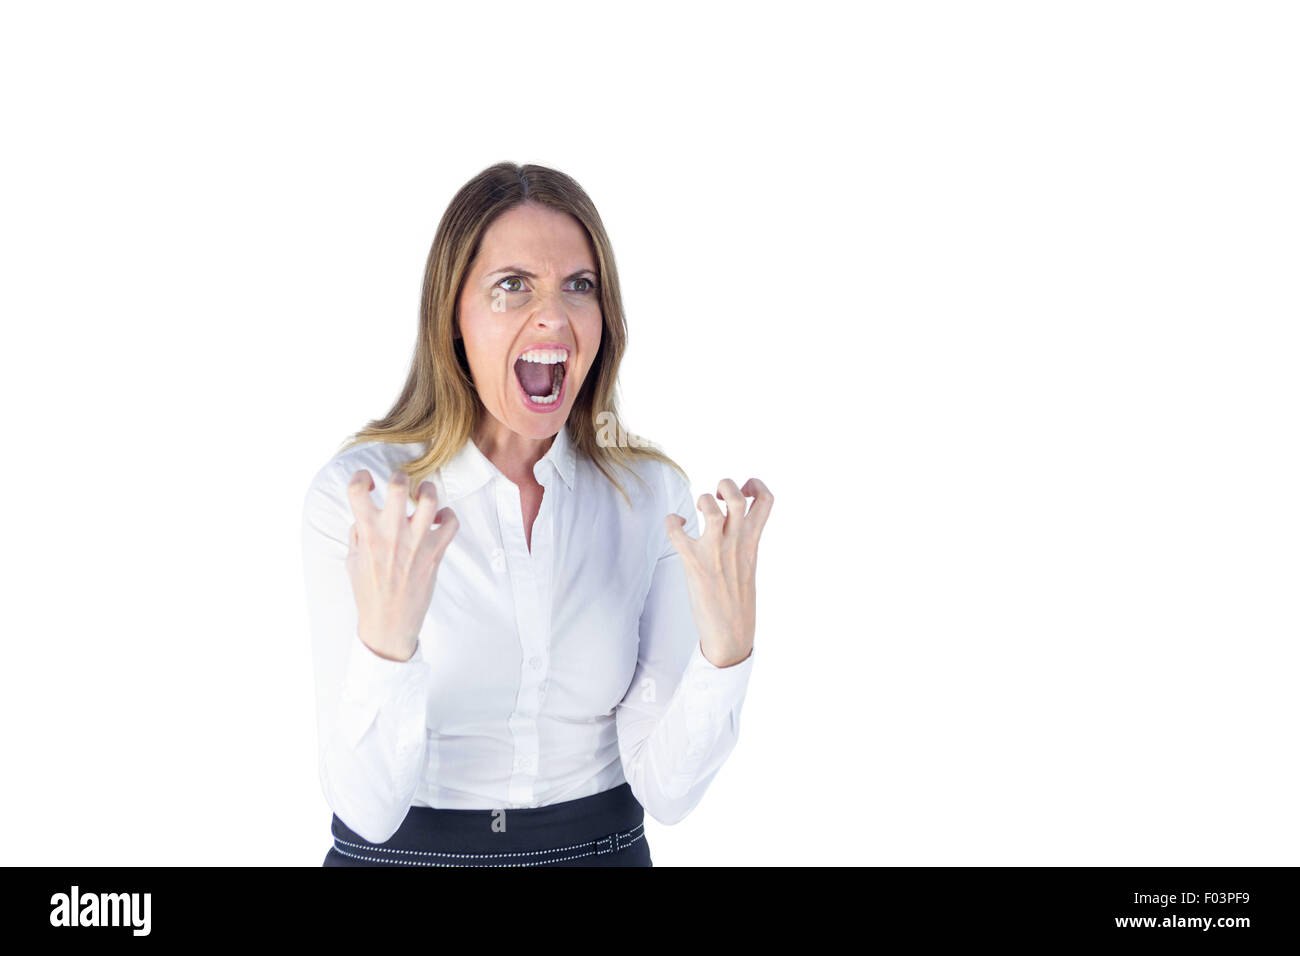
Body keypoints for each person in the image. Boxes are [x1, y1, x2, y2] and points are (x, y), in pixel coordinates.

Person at [300, 162, 773, 866]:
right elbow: (367, 808)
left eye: (579, 286)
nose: (552, 315)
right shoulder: (363, 499)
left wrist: (726, 653)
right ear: (453, 317)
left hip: (599, 849)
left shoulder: (649, 498)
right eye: (512, 285)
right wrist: (386, 645)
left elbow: (667, 792)